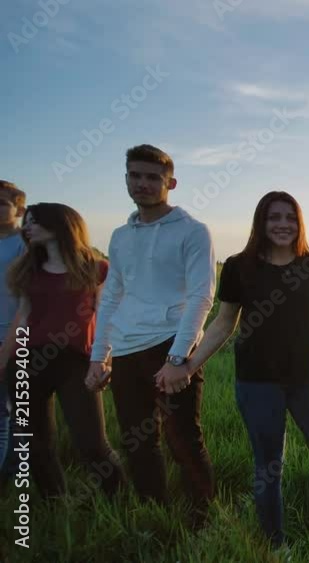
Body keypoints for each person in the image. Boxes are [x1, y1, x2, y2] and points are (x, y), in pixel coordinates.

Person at [165, 191, 309, 547]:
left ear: (299, 223)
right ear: (261, 222)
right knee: (269, 467)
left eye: (290, 217)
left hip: (305, 380)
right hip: (256, 383)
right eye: (274, 217)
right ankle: (276, 544)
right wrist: (188, 364)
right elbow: (223, 323)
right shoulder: (239, 266)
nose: (283, 224)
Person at [84, 144, 216, 524]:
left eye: (152, 177)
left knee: (184, 441)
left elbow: (201, 296)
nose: (142, 184)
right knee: (137, 441)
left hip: (169, 344)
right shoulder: (121, 235)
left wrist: (179, 358)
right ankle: (153, 513)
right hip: (125, 349)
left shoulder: (193, 231)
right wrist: (99, 355)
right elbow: (111, 297)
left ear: (170, 183)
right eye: (135, 175)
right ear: (126, 178)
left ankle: (200, 520)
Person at [0, 203, 124, 498]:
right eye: (26, 221)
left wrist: (104, 361)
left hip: (77, 362)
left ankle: (118, 500)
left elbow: (108, 319)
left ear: (60, 225)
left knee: (92, 443)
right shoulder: (27, 270)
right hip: (28, 362)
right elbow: (24, 318)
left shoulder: (96, 268)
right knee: (35, 443)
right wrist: (4, 360)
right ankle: (55, 503)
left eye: (33, 222)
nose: (26, 227)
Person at [0, 180, 25, 484]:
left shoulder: (26, 244)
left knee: (19, 411)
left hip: (17, 337)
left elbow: (28, 300)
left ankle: (15, 474)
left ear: (19, 209)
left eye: (2, 203)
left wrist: (9, 345)